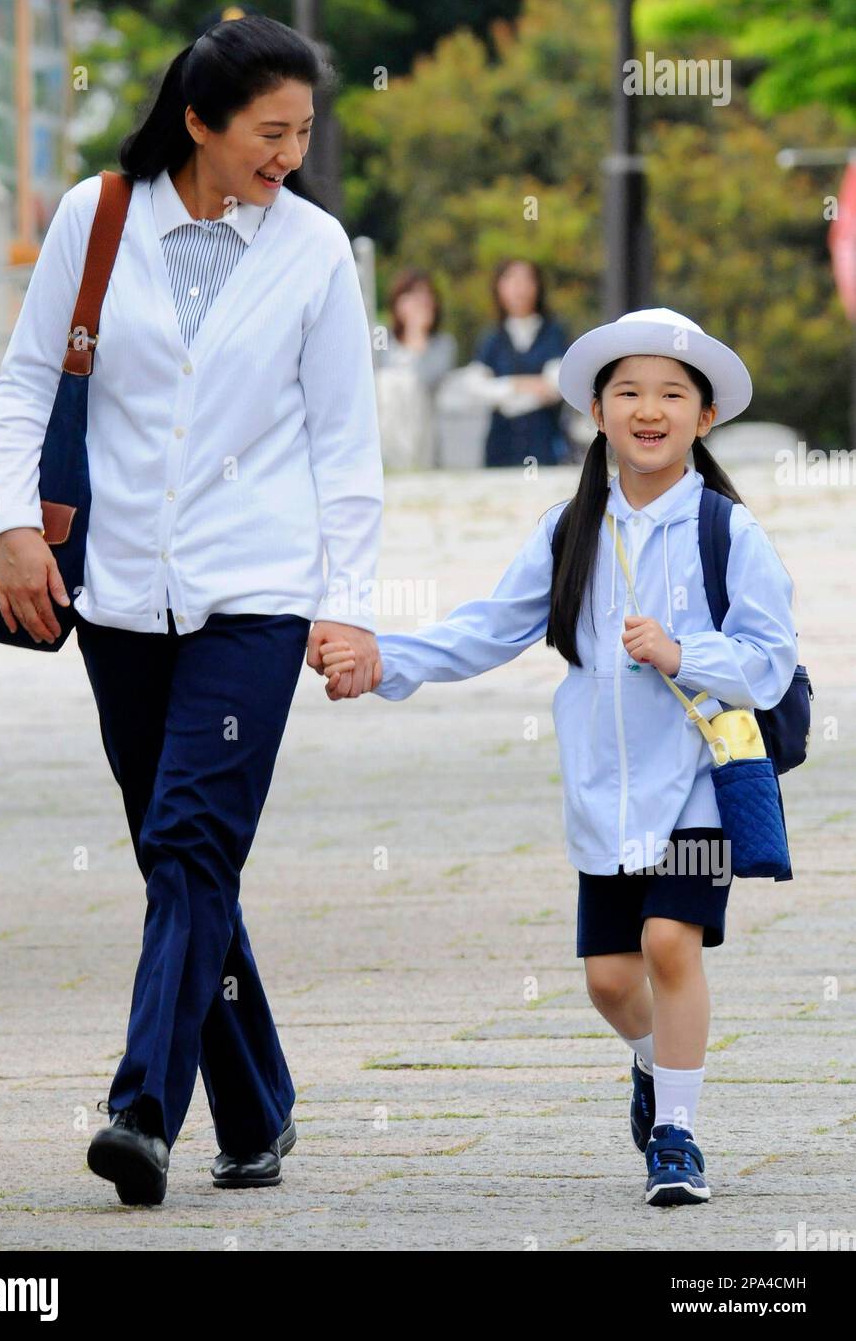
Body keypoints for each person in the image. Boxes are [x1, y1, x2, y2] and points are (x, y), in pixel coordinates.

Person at [0, 15, 384, 1203]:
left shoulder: (315, 247)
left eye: (305, 131)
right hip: (116, 595)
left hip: (255, 595)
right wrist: (14, 519)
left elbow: (345, 442)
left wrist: (349, 606)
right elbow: (23, 378)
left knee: (191, 843)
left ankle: (141, 1109)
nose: (290, 153)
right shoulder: (96, 216)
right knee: (180, 859)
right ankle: (257, 1107)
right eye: (270, 132)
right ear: (200, 122)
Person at [319, 308, 799, 1208]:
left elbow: (770, 663)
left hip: (699, 783)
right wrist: (385, 658)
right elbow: (488, 629)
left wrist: (682, 652)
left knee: (668, 944)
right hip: (604, 797)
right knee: (612, 983)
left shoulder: (728, 533)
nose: (647, 409)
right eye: (627, 393)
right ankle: (655, 1070)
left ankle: (677, 1137)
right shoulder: (567, 530)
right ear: (594, 409)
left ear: (703, 417)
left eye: (670, 395)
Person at [471, 258, 570, 468]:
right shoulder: (492, 338)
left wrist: (504, 393)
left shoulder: (553, 333)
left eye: (526, 280)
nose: (519, 288)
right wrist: (523, 385)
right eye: (511, 280)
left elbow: (555, 385)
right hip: (501, 446)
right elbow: (477, 388)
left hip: (544, 443)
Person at [375, 268, 457, 469]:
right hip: (383, 433)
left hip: (424, 436)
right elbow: (375, 376)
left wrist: (417, 334)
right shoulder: (380, 336)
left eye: (426, 295)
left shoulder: (443, 344)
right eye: (412, 295)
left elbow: (426, 379)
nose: (420, 303)